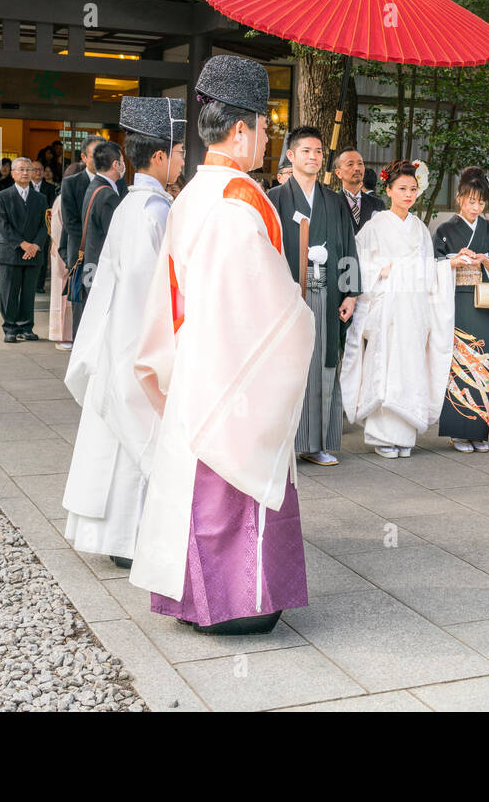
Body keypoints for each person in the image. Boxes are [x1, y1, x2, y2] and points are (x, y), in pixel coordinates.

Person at [131, 54, 313, 635]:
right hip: (233, 372)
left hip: (194, 363)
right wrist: (299, 310)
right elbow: (263, 310)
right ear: (242, 129)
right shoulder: (239, 202)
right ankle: (240, 603)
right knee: (233, 483)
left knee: (196, 487)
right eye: (266, 126)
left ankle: (194, 601)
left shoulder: (190, 195)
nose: (269, 138)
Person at [63, 97, 184, 569]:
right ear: (159, 156)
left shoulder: (137, 205)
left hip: (120, 336)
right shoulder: (151, 211)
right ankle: (129, 538)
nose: (181, 162)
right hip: (137, 339)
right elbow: (143, 289)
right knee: (136, 432)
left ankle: (120, 535)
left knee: (117, 437)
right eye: (177, 153)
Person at [340, 160, 454, 459]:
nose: (408, 194)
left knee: (410, 367)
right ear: (388, 189)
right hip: (387, 306)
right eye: (402, 188)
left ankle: (405, 435)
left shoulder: (418, 228)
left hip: (413, 308)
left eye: (413, 189)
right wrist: (385, 269)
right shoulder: (375, 225)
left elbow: (428, 270)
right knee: (386, 365)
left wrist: (444, 268)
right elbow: (357, 262)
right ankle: (382, 434)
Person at [267, 126, 361, 467]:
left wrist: (350, 293)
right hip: (287, 291)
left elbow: (349, 247)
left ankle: (316, 442)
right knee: (287, 364)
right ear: (291, 156)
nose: (313, 157)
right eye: (306, 151)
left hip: (326, 289)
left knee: (323, 363)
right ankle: (282, 443)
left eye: (318, 152)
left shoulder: (334, 202)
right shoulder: (275, 199)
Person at [433, 166, 489, 453]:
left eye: (480, 202)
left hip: (483, 303)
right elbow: (433, 265)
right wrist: (455, 260)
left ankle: (479, 431)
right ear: (459, 199)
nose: (475, 207)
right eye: (470, 201)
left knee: (483, 364)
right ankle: (457, 431)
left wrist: (485, 262)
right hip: (456, 301)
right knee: (458, 365)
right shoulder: (445, 230)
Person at [0, 157, 49, 343]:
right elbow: (3, 225)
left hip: (33, 252)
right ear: (13, 173)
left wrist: (35, 245)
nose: (25, 173)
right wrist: (23, 244)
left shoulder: (40, 198)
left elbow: (45, 225)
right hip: (12, 251)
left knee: (28, 292)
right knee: (9, 292)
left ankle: (26, 327)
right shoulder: (3, 196)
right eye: (21, 169)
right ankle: (10, 327)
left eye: (28, 169)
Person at [59, 135, 103, 338]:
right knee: (81, 303)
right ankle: (80, 347)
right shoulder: (71, 183)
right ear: (84, 157)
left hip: (106, 254)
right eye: (96, 154)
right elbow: (70, 223)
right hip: (81, 253)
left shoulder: (117, 183)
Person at [79, 141, 126, 306]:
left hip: (90, 262)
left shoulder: (94, 186)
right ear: (116, 164)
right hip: (100, 265)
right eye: (122, 161)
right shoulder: (108, 195)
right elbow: (114, 236)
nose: (124, 165)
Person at [333, 146, 385, 232]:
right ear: (338, 173)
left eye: (360, 163)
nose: (357, 168)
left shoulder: (377, 205)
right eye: (350, 164)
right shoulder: (331, 204)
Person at [48, 194, 72, 347]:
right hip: (62, 252)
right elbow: (56, 231)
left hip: (75, 251)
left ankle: (71, 332)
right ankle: (60, 334)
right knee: (61, 296)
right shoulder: (62, 200)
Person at [30, 160, 57, 294]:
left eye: (40, 169)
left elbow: (51, 208)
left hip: (44, 226)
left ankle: (39, 284)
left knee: (41, 255)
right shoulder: (25, 186)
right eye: (35, 169)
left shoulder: (50, 188)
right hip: (28, 227)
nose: (38, 172)